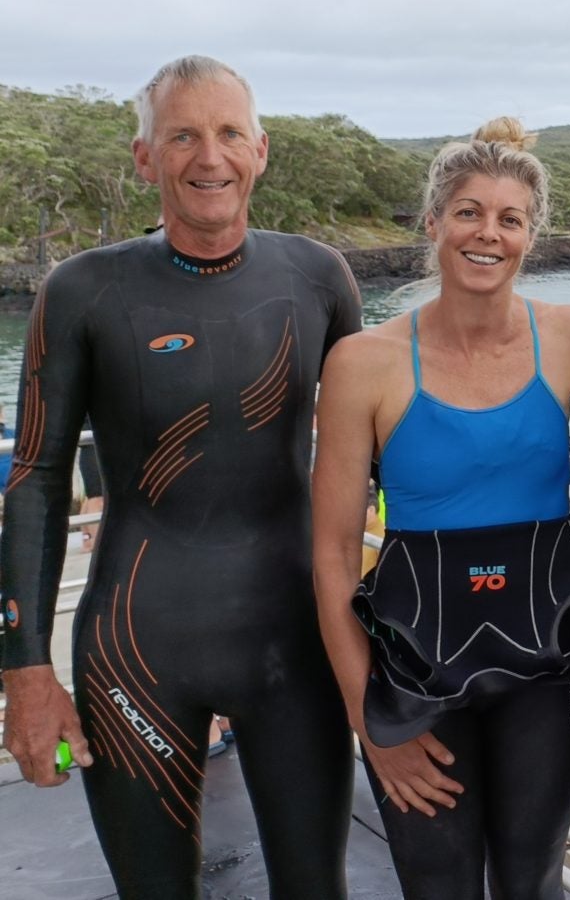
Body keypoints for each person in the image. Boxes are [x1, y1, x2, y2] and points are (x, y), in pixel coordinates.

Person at [0, 54, 360, 899]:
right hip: (138, 643)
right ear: (144, 157)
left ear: (261, 150)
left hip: (292, 642)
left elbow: (374, 449)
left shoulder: (318, 277)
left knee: (317, 888)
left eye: (230, 133)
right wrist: (23, 671)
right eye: (184, 136)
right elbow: (38, 478)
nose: (211, 158)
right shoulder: (83, 291)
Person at [312, 119, 570, 900]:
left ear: (531, 235)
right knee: (438, 885)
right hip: (416, 673)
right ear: (433, 223)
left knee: (533, 884)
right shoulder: (363, 363)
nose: (489, 233)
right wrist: (369, 721)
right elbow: (329, 554)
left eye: (509, 219)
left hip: (550, 670)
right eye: (469, 213)